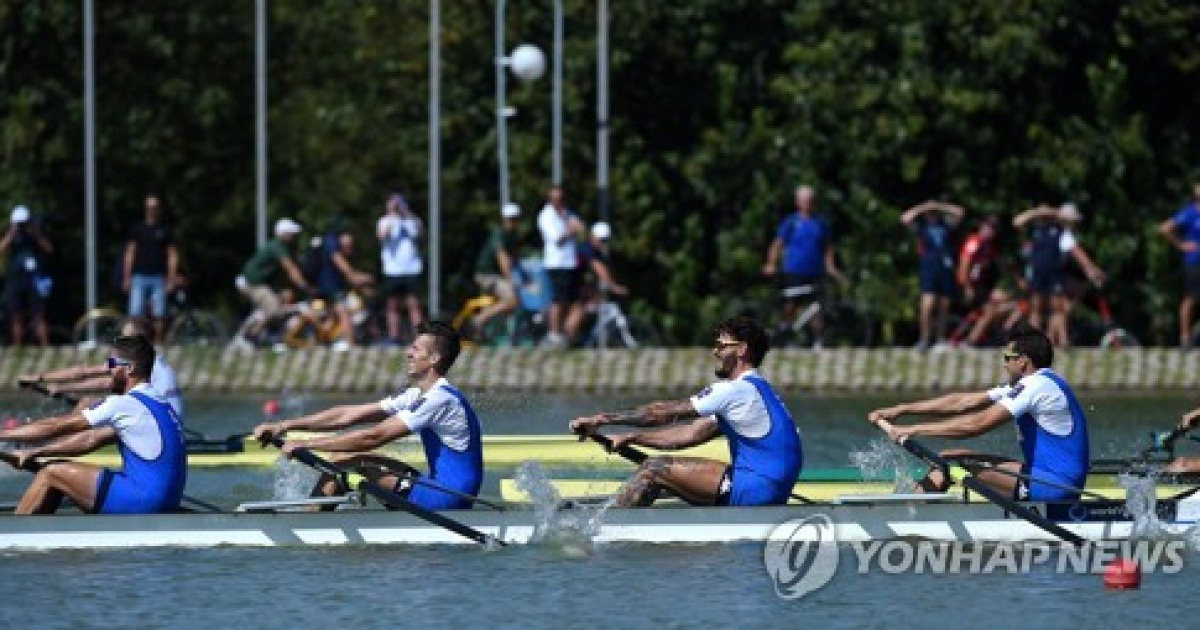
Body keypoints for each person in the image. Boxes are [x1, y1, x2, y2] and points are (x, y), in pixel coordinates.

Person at [569, 316, 802, 507]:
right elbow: (690, 434)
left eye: (721, 345)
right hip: (769, 489)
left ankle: (610, 534)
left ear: (741, 350)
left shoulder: (735, 391)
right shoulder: (755, 392)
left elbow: (661, 413)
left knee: (654, 468)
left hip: (754, 489)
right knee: (662, 471)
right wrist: (631, 437)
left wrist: (601, 419)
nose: (715, 352)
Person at [252, 321, 483, 510]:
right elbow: (347, 415)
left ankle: (310, 526)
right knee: (352, 457)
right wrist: (283, 426)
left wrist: (305, 445)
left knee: (349, 463)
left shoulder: (440, 399)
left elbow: (374, 437)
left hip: (448, 499)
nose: (407, 353)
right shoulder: (420, 394)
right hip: (436, 487)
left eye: (415, 349)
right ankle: (317, 517)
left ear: (434, 359)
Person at [868, 324, 1090, 502]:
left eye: (1007, 356)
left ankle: (909, 516)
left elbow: (978, 424)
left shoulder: (1036, 386)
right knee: (948, 457)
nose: (1004, 364)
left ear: (1023, 362)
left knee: (954, 463)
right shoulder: (1031, 384)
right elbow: (964, 403)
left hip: (1054, 487)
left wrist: (913, 429)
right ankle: (914, 509)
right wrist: (902, 409)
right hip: (1044, 477)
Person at [0, 334, 187, 514]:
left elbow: (56, 426)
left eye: (113, 364)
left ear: (130, 368)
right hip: (168, 500)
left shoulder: (124, 404)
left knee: (51, 472)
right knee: (62, 474)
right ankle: (41, 536)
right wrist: (34, 452)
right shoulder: (161, 403)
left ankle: (12, 537)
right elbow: (91, 439)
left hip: (143, 501)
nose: (108, 370)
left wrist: (4, 434)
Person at [18, 317, 185, 419]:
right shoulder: (148, 358)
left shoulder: (135, 360)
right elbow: (92, 374)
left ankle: (56, 442)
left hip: (158, 423)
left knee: (87, 403)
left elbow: (96, 378)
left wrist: (46, 381)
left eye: (125, 336)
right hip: (164, 419)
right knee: (95, 403)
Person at [762, 184, 847, 349]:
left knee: (817, 306)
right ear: (798, 202)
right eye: (805, 200)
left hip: (815, 271)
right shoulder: (791, 222)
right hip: (794, 270)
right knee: (792, 303)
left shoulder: (820, 223)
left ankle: (817, 340)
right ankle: (785, 334)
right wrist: (771, 263)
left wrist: (831, 267)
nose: (808, 203)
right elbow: (777, 244)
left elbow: (828, 247)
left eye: (811, 200)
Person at [235, 218, 312, 344]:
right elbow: (290, 268)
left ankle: (255, 329)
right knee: (274, 308)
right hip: (252, 282)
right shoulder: (277, 246)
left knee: (285, 299)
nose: (294, 236)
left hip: (259, 283)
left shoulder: (282, 247)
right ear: (284, 234)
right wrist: (303, 285)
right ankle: (252, 336)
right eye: (292, 233)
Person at [901, 200, 965, 350]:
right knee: (927, 304)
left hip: (946, 267)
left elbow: (960, 212)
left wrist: (940, 206)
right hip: (929, 267)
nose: (933, 215)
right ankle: (924, 338)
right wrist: (923, 207)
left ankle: (940, 339)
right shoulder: (922, 227)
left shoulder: (946, 225)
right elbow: (905, 218)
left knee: (944, 305)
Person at [123, 194, 180, 343]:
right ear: (145, 209)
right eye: (149, 207)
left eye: (155, 207)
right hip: (139, 276)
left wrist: (172, 277)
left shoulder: (165, 230)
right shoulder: (137, 229)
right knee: (135, 314)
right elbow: (130, 253)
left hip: (159, 277)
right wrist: (127, 276)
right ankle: (136, 346)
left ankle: (158, 344)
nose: (152, 209)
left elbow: (172, 255)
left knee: (160, 314)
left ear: (159, 209)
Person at [1047, 203, 1106, 347]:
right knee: (1062, 308)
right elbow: (1078, 255)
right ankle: (1062, 341)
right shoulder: (1065, 234)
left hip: (1048, 275)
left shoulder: (1053, 231)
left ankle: (1051, 342)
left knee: (1060, 310)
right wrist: (1095, 270)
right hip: (1054, 276)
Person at [537, 185, 586, 348]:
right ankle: (554, 334)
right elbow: (557, 238)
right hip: (557, 264)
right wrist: (571, 229)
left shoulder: (568, 213)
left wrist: (576, 228)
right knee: (559, 300)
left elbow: (582, 229)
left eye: (562, 198)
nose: (559, 202)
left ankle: (568, 336)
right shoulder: (546, 216)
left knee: (576, 302)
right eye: (556, 199)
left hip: (571, 263)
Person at [312, 222, 374, 349]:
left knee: (333, 315)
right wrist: (363, 278)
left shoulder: (331, 243)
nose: (350, 245)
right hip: (330, 285)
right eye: (348, 243)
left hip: (326, 284)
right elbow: (346, 270)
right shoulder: (333, 246)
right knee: (344, 312)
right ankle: (352, 345)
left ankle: (320, 342)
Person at [1, 205, 53, 346]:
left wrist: (35, 233)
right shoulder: (11, 235)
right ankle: (18, 346)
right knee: (16, 314)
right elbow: (2, 249)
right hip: (16, 279)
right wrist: (12, 233)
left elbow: (49, 249)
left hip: (36, 278)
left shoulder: (36, 234)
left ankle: (45, 345)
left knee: (39, 313)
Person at [470, 202, 524, 337]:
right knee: (512, 300)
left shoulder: (513, 236)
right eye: (510, 218)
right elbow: (503, 259)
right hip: (486, 275)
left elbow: (515, 259)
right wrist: (511, 280)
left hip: (495, 275)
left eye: (515, 218)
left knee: (514, 300)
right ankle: (479, 320)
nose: (512, 221)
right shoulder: (499, 233)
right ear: (504, 219)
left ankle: (509, 336)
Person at [377, 193, 425, 345]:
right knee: (393, 305)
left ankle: (419, 338)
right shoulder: (384, 221)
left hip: (412, 269)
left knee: (414, 304)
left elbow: (421, 235)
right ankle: (394, 337)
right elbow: (382, 236)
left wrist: (407, 214)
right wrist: (392, 215)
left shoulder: (413, 220)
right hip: (393, 270)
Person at [1158, 182, 1200, 348]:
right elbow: (1165, 228)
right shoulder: (1189, 213)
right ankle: (1184, 337)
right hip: (1194, 260)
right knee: (1191, 298)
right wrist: (1181, 245)